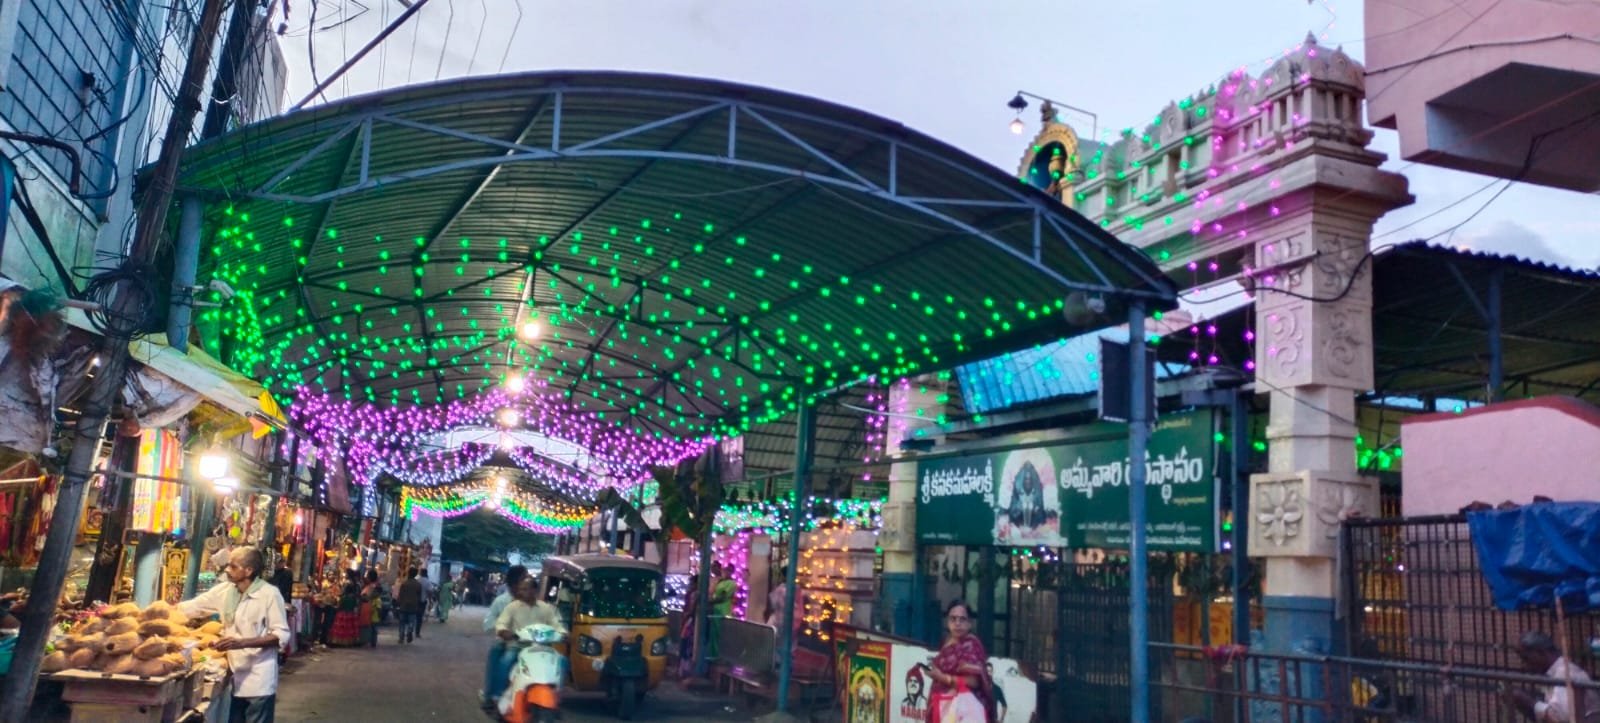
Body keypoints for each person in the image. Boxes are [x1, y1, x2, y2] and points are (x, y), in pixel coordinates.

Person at [177, 547, 290, 723]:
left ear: (248, 570)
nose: (227, 570)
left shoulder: (269, 594)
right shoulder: (225, 591)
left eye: (233, 566)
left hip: (258, 680)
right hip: (235, 676)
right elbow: (194, 607)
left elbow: (280, 635)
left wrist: (241, 643)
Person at [1504, 630, 1600, 722]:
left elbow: (1560, 718)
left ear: (1542, 653)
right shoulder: (1553, 673)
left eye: (1526, 658)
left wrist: (1526, 700)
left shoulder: (1565, 672)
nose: (1524, 665)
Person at [926, 600, 994, 723]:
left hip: (964, 710)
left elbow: (974, 681)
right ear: (947, 622)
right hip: (943, 706)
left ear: (970, 624)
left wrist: (943, 678)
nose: (957, 623)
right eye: (953, 619)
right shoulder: (946, 642)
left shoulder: (971, 645)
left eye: (962, 619)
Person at [482, 565, 530, 710]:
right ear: (515, 582)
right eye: (524, 578)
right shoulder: (501, 601)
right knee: (503, 657)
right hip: (509, 643)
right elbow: (488, 622)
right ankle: (493, 695)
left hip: (531, 644)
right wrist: (504, 631)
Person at [328, 581, 362, 646]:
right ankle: (349, 642)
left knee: (341, 629)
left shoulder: (343, 597)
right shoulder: (353, 598)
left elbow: (340, 606)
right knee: (349, 629)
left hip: (342, 614)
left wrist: (336, 607)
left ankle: (339, 642)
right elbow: (355, 606)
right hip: (351, 614)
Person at [395, 567, 423, 644]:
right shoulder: (418, 585)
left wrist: (398, 604)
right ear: (416, 574)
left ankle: (401, 637)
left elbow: (400, 595)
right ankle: (410, 630)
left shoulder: (404, 583)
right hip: (413, 606)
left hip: (403, 606)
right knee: (411, 621)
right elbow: (419, 597)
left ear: (408, 573)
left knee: (402, 622)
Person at [359, 570, 382, 648]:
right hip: (369, 609)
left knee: (371, 627)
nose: (366, 577)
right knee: (370, 627)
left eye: (367, 576)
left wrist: (364, 598)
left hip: (370, 609)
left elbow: (369, 597)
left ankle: (370, 641)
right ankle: (369, 640)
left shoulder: (373, 587)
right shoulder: (371, 585)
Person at [416, 569, 436, 636]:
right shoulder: (427, 582)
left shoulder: (417, 580)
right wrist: (430, 600)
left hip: (415, 601)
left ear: (421, 573)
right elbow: (430, 592)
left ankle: (410, 629)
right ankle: (417, 632)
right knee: (419, 617)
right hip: (422, 601)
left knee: (414, 615)